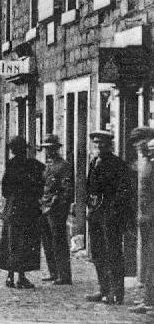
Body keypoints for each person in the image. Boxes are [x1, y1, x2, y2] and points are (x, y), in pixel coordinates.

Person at [86, 129, 134, 305]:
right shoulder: (93, 162)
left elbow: (124, 191)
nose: (99, 146)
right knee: (98, 253)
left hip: (111, 215)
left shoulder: (118, 164)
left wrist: (113, 210)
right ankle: (103, 289)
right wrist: (89, 207)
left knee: (113, 253)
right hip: (96, 214)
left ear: (110, 145)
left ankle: (116, 293)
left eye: (103, 144)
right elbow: (89, 186)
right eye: (97, 143)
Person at [0, 135, 45, 289]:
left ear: (12, 150)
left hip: (14, 208)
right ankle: (22, 277)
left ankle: (10, 276)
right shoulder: (34, 165)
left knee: (12, 242)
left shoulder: (11, 165)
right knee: (26, 242)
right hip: (29, 209)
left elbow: (5, 189)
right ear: (25, 149)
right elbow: (41, 185)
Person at [38, 134, 73, 285]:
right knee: (47, 241)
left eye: (51, 149)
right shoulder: (48, 166)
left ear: (56, 149)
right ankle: (53, 272)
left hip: (56, 209)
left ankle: (64, 275)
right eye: (46, 149)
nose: (48, 152)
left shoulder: (64, 166)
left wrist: (57, 204)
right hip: (44, 207)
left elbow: (66, 190)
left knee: (59, 241)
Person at [130, 127, 154, 314]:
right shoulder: (145, 161)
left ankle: (150, 301)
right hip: (145, 219)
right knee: (147, 261)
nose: (138, 147)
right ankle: (148, 299)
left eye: (141, 142)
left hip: (151, 218)